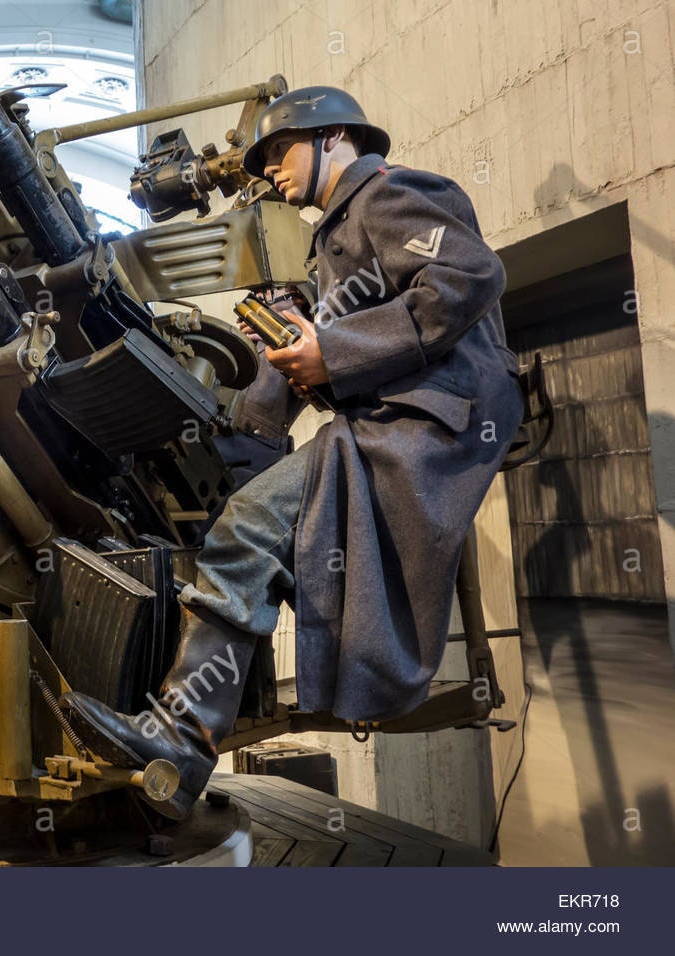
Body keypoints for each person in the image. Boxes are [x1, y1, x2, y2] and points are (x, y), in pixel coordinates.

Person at [62, 86, 525, 818]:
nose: (271, 170)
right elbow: (373, 347)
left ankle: (178, 743)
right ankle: (178, 745)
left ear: (333, 136)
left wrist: (331, 350)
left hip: (428, 427)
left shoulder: (391, 192)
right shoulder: (334, 233)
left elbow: (469, 276)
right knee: (250, 530)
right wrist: (297, 360)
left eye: (280, 150)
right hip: (387, 425)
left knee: (248, 528)